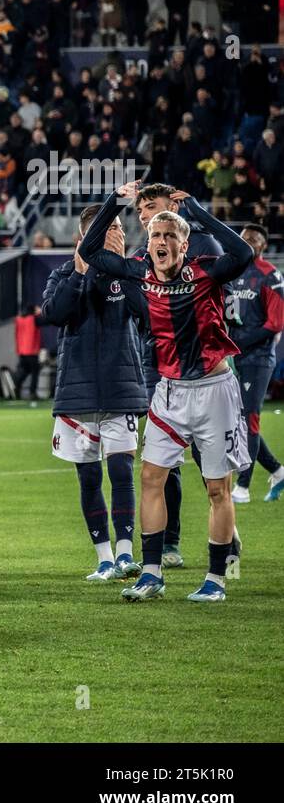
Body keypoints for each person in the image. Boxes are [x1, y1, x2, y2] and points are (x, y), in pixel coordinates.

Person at [79, 181, 253, 603]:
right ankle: (152, 573)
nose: (159, 241)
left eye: (168, 235)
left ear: (183, 243)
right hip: (170, 391)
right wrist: (113, 203)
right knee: (151, 477)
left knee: (217, 489)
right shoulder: (138, 270)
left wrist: (196, 210)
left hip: (214, 390)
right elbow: (88, 253)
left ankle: (215, 580)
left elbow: (244, 253)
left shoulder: (206, 271)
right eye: (154, 234)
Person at [42, 204, 148, 582]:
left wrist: (122, 268)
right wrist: (80, 272)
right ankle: (102, 558)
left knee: (121, 470)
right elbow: (54, 314)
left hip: (122, 387)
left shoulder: (132, 272)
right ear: (81, 240)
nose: (115, 232)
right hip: (78, 392)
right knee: (88, 478)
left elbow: (146, 316)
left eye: (119, 227)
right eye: (107, 228)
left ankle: (124, 554)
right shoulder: (63, 274)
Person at [131, 183, 223, 568]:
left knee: (209, 464)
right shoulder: (142, 256)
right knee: (160, 464)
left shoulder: (206, 247)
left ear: (175, 207)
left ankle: (225, 534)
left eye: (152, 208)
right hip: (161, 367)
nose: (146, 217)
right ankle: (168, 543)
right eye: (140, 214)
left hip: (205, 368)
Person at [224, 223, 284, 503]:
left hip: (258, 358)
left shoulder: (270, 276)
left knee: (249, 418)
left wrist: (241, 343)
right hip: (235, 356)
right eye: (245, 238)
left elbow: (275, 324)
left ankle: (243, 486)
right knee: (241, 419)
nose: (249, 242)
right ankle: (277, 471)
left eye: (255, 239)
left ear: (263, 245)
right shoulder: (231, 272)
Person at [11, 303, 47, 400]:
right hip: (31, 350)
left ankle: (16, 386)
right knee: (35, 371)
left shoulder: (19, 319)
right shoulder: (33, 319)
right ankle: (32, 392)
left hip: (22, 350)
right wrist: (40, 312)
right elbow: (46, 320)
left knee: (26, 370)